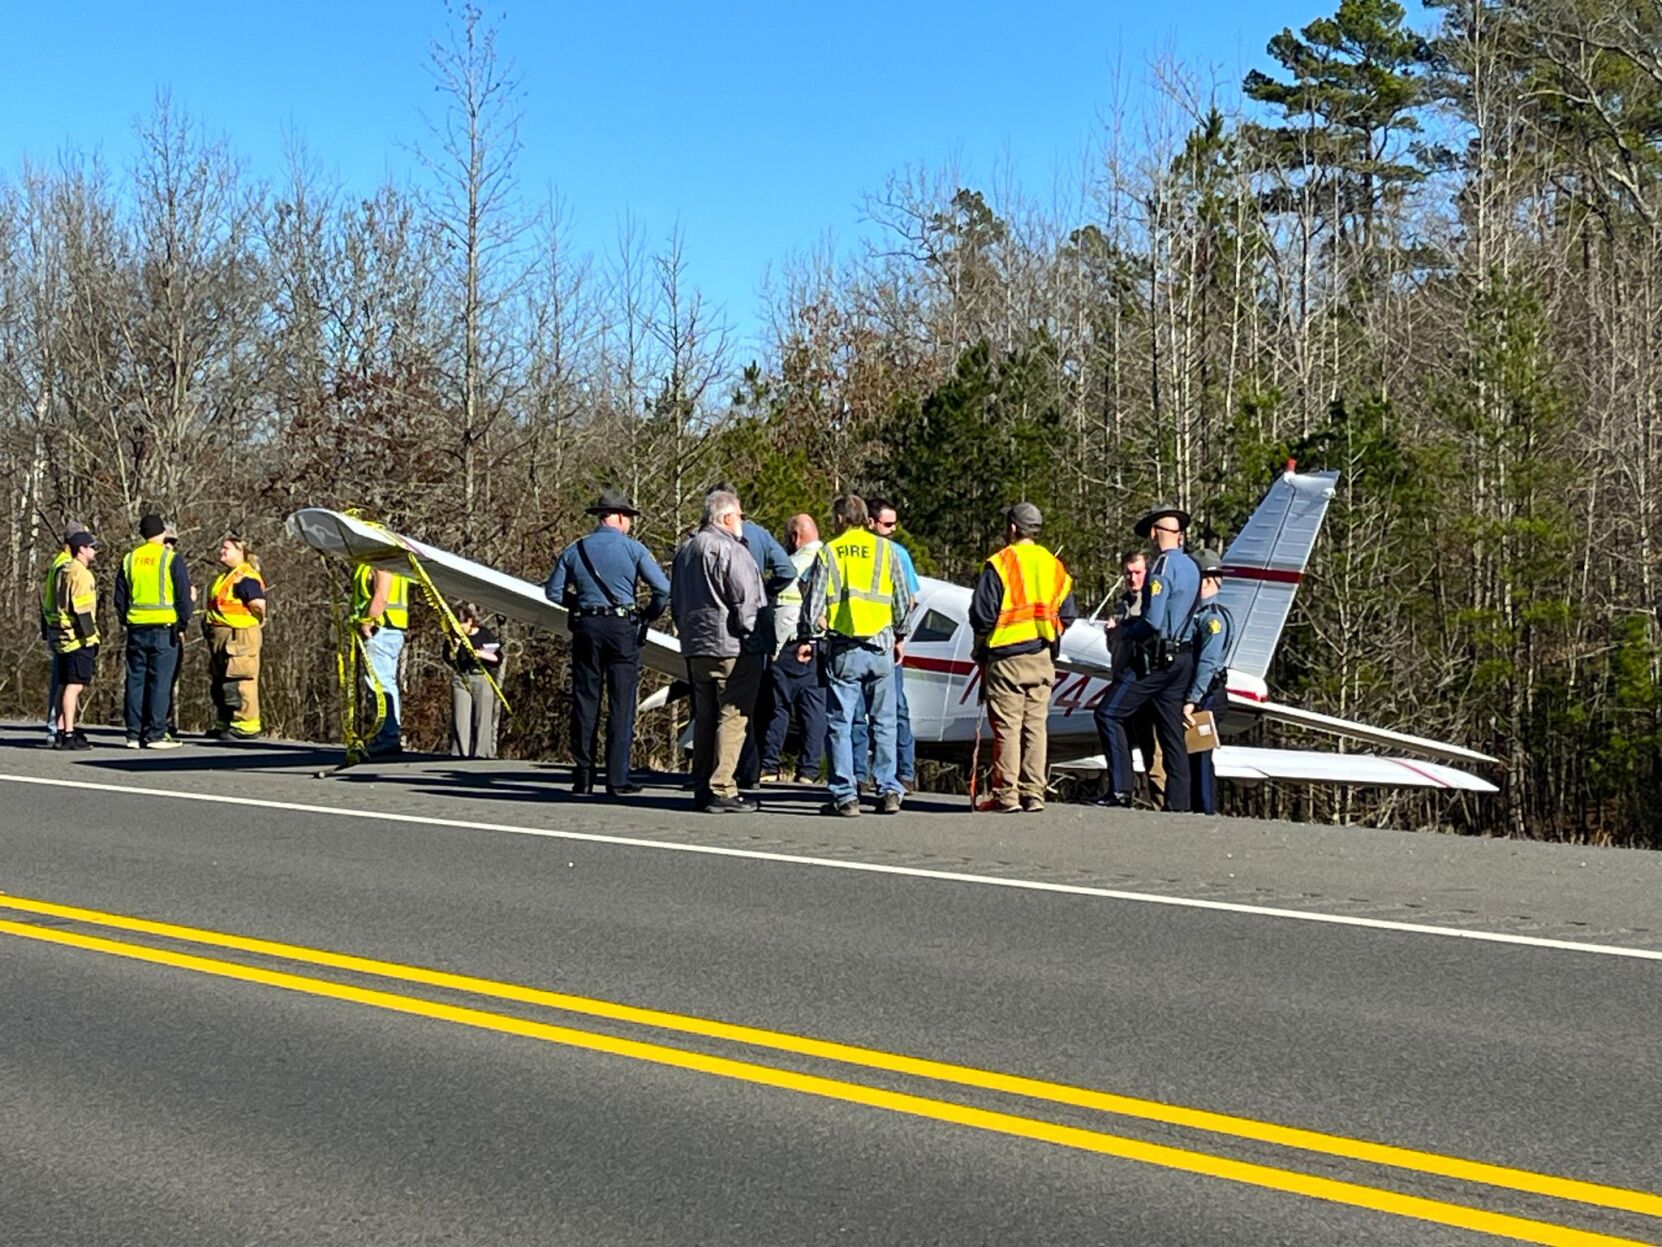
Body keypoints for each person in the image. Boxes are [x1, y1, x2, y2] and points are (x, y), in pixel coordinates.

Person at [545, 488, 670, 795]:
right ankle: (616, 779)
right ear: (615, 517)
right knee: (621, 704)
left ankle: (584, 776)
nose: (628, 522)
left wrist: (579, 604)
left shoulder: (576, 549)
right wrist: (646, 616)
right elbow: (663, 590)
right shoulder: (634, 550)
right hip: (621, 628)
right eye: (626, 516)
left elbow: (552, 592)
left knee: (586, 701)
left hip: (587, 626)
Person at [799, 494, 914, 817]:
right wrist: (900, 634)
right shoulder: (887, 550)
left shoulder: (830, 552)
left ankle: (846, 795)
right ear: (866, 518)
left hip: (844, 647)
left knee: (841, 722)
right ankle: (890, 789)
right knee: (885, 721)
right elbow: (903, 599)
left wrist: (808, 635)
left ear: (839, 519)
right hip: (880, 644)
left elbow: (814, 601)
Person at [967, 502, 1078, 813]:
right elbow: (1068, 613)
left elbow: (981, 616)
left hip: (1006, 658)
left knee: (1008, 727)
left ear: (1013, 528)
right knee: (1035, 726)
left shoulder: (1001, 563)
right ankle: (1034, 793)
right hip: (1042, 656)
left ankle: (1007, 795)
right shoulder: (1054, 565)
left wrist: (983, 646)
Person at [1092, 500, 1200, 812]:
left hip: (1156, 659)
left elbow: (1152, 620)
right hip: (1184, 658)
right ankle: (1179, 804)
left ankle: (1120, 790)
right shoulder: (1192, 566)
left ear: (1154, 533)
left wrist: (1125, 631)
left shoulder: (1163, 568)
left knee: (1109, 713)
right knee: (1171, 734)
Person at [670, 488, 766, 812]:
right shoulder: (731, 550)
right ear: (727, 517)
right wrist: (753, 635)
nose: (742, 522)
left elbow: (676, 601)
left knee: (706, 717)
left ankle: (701, 785)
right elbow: (746, 600)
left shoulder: (685, 551)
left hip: (696, 645)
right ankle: (722, 786)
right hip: (731, 646)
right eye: (740, 516)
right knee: (734, 716)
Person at [705, 482, 796, 789]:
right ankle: (750, 772)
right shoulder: (758, 536)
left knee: (711, 710)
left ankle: (710, 775)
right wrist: (764, 594)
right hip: (754, 631)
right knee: (749, 707)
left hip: (713, 634)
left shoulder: (698, 541)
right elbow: (786, 570)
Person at [851, 496, 920, 790]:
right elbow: (909, 600)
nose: (893, 529)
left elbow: (911, 598)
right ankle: (866, 774)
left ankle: (901, 771)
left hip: (880, 642)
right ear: (870, 522)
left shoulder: (898, 554)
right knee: (873, 713)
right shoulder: (883, 554)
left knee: (890, 711)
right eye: (887, 524)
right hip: (874, 641)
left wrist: (898, 635)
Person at [759, 513, 826, 783]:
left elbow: (783, 612)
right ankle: (809, 771)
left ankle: (769, 766)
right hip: (824, 645)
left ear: (795, 537)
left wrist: (774, 647)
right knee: (814, 709)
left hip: (793, 643)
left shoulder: (792, 565)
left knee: (779, 706)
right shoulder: (832, 558)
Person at [114, 513, 191, 750]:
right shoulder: (170, 559)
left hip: (137, 627)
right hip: (164, 628)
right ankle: (156, 733)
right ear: (162, 533)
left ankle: (133, 734)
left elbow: (120, 598)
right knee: (160, 682)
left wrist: (127, 620)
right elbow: (183, 596)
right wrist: (182, 623)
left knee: (135, 681)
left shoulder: (130, 559)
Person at [1106, 550, 1163, 803]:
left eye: (1138, 573)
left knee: (1154, 752)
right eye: (1128, 573)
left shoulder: (1153, 603)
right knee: (1125, 741)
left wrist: (1125, 631)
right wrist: (1113, 634)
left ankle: (1162, 803)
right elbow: (1115, 647)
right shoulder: (1121, 605)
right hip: (1123, 683)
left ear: (1147, 572)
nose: (1132, 578)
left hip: (1145, 684)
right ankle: (1122, 791)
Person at [203, 531, 268, 739]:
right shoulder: (226, 576)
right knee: (221, 680)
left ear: (241, 552)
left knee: (240, 680)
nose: (221, 551)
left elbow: (259, 604)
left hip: (239, 635)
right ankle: (225, 721)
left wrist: (258, 621)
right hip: (222, 636)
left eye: (226, 548)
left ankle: (246, 725)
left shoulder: (245, 577)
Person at [1184, 549, 1233, 816]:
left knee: (1201, 756)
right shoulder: (1201, 615)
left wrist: (1192, 700)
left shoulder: (1212, 619)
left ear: (1205, 581)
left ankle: (1205, 811)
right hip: (1204, 693)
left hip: (1207, 694)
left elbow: (1207, 665)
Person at [353, 560, 412, 757]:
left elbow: (381, 595)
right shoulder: (394, 563)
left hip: (382, 629)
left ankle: (387, 736)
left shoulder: (382, 563)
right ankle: (387, 734)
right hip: (390, 628)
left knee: (380, 684)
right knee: (385, 682)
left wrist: (368, 622)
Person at [50, 532, 101, 750]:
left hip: (61, 636)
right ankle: (69, 733)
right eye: (92, 547)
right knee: (75, 686)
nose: (95, 551)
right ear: (82, 549)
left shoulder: (63, 569)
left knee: (63, 685)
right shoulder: (81, 574)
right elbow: (82, 611)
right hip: (76, 639)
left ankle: (61, 730)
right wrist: (91, 638)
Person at [39, 523, 82, 746]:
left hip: (54, 626)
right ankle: (58, 726)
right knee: (65, 681)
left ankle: (58, 725)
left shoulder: (57, 563)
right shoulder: (67, 565)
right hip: (66, 630)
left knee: (62, 680)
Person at [446, 602, 503, 759]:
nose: (459, 628)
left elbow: (497, 658)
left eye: (462, 624)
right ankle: (459, 754)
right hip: (462, 678)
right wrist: (455, 647)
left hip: (481, 676)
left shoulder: (484, 635)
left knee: (482, 718)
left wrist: (481, 655)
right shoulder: (453, 637)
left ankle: (482, 753)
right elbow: (448, 658)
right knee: (460, 719)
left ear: (470, 621)